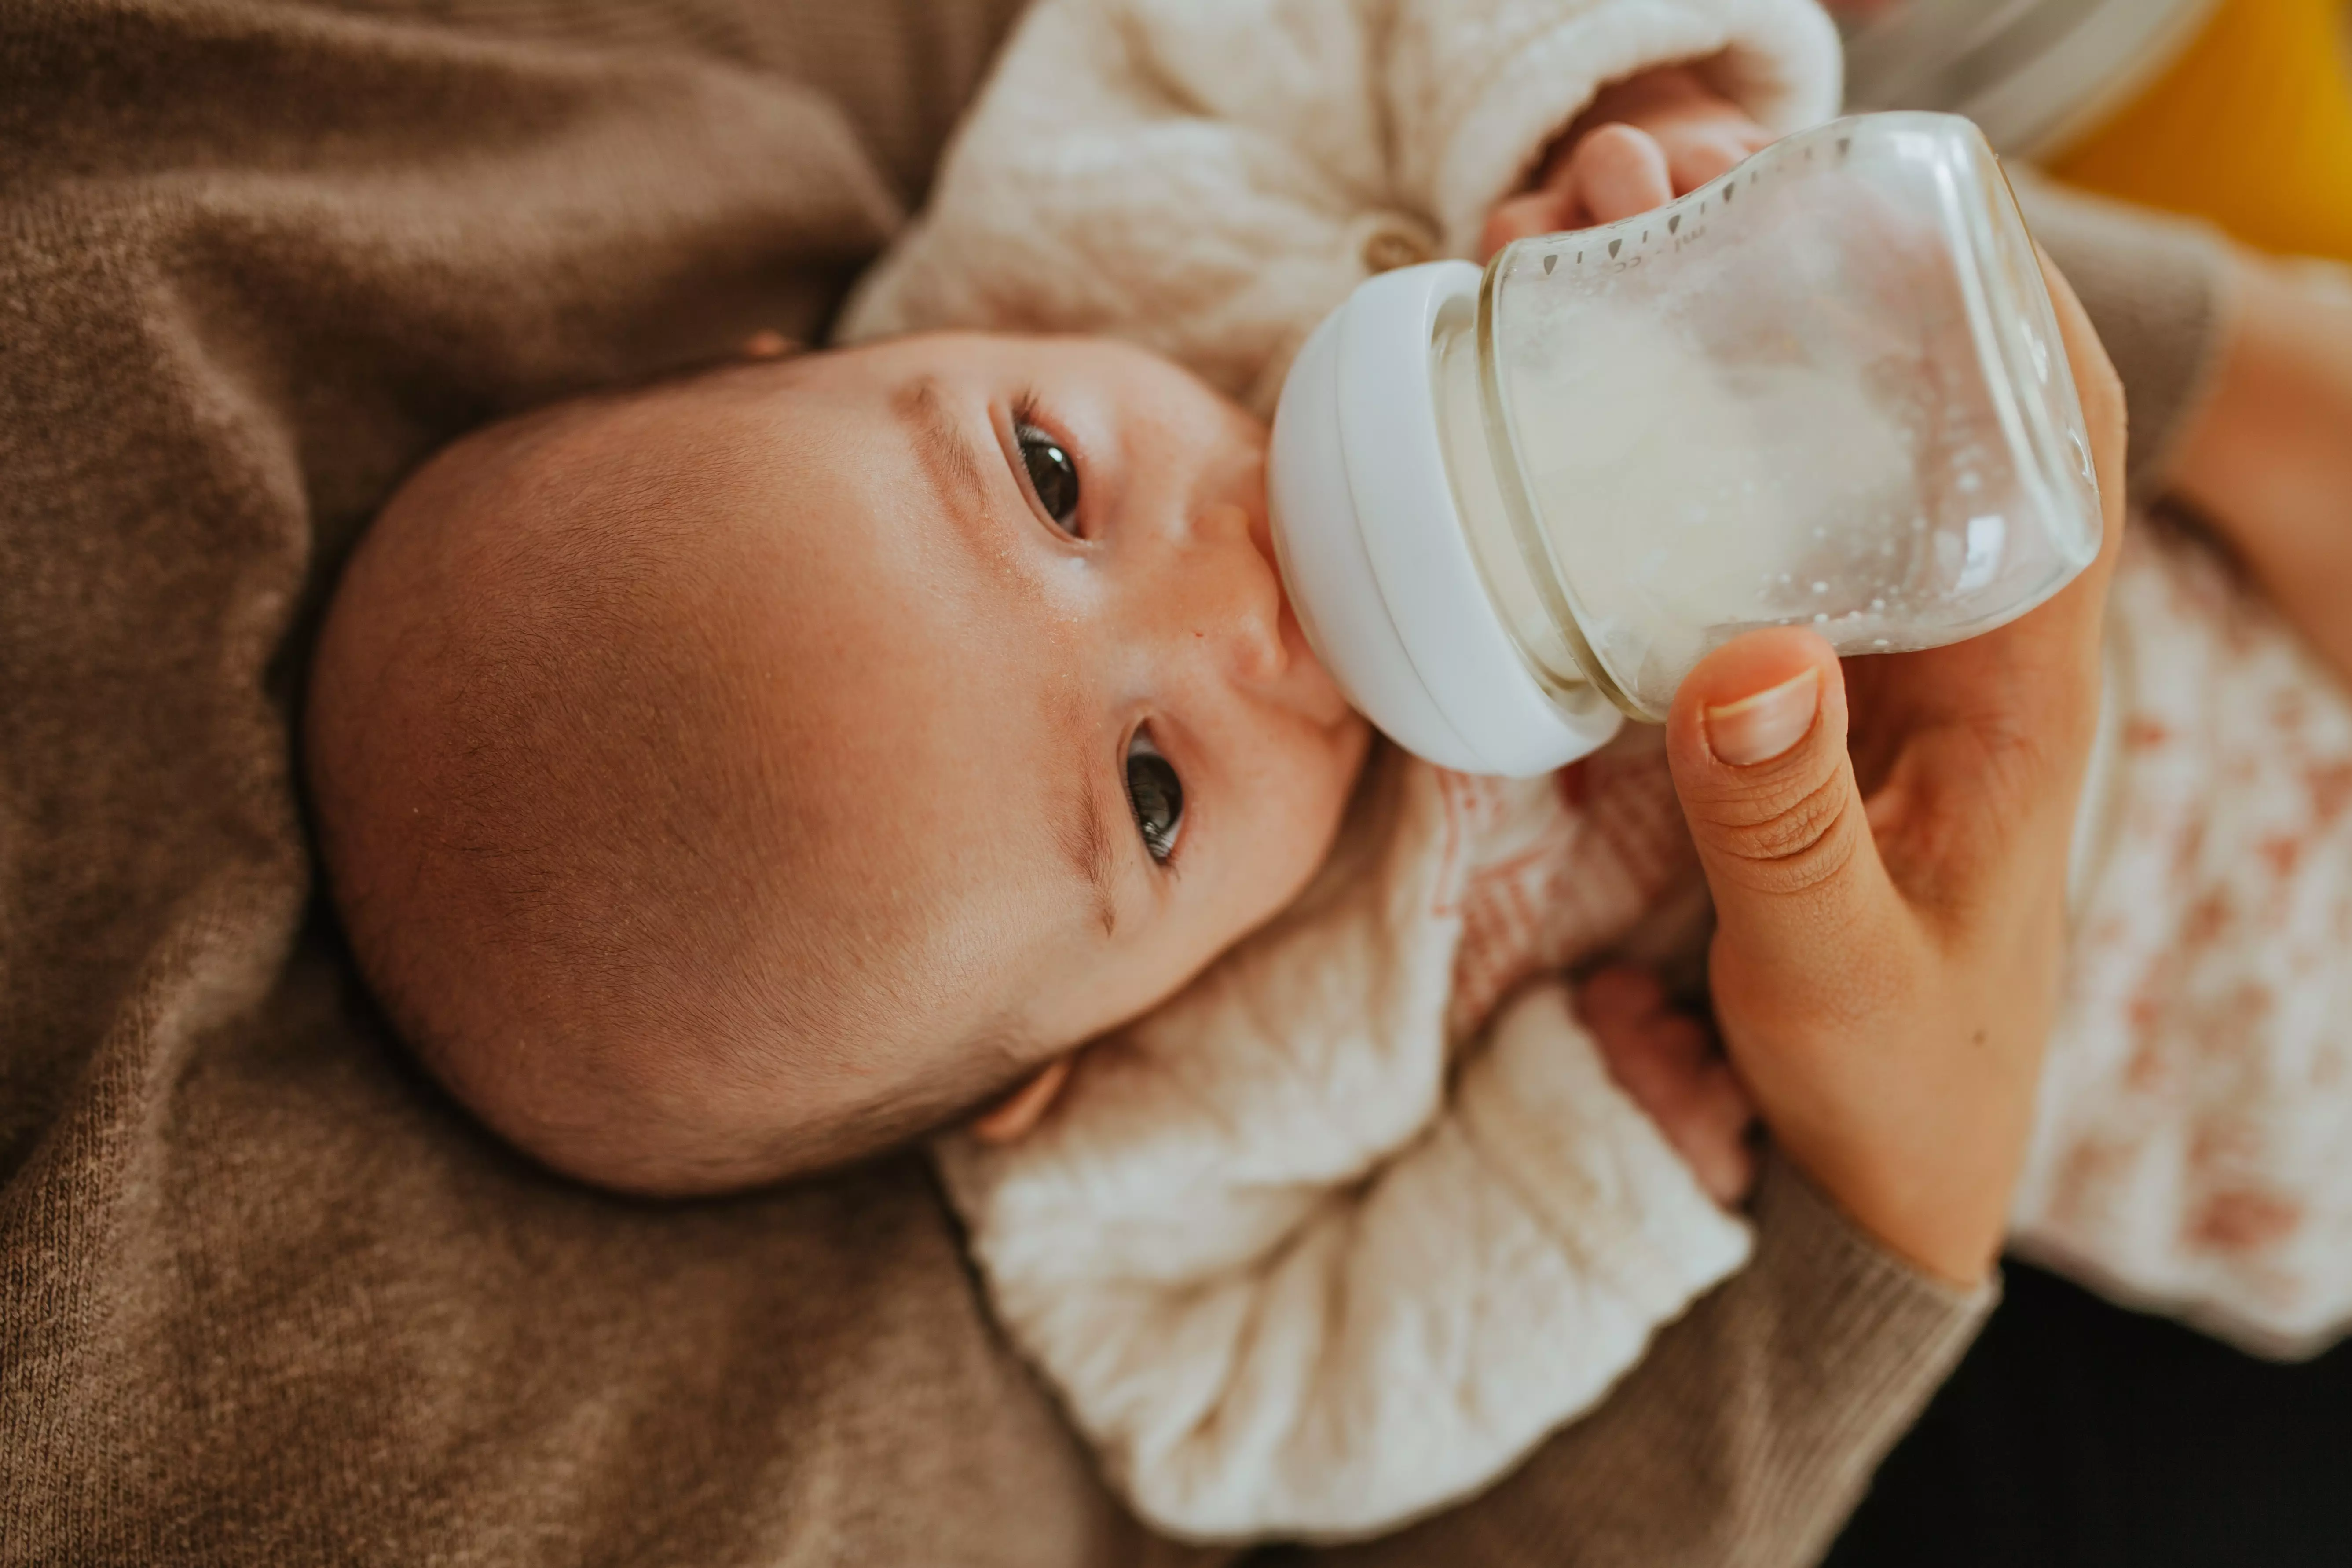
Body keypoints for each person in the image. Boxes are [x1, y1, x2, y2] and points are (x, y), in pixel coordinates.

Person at [0, 0, 2182, 1561]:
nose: (1227, 607)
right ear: (1040, 1070)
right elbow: (1265, 1424)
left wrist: (1615, 106)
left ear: (857, 349)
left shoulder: (1096, 207)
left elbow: (1317, 26)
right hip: (2135, 1004)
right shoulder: (1138, 1175)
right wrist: (1578, 1172)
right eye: (1150, 796)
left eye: (1046, 476)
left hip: (1946, 429)